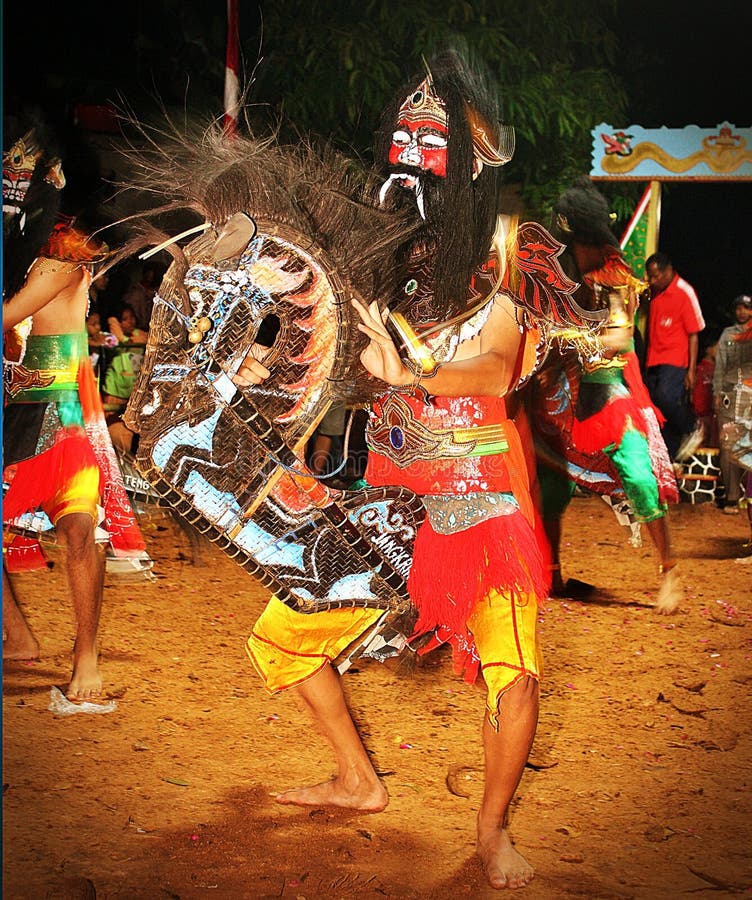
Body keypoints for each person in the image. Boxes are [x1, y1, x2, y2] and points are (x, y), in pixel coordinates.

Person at [233, 52, 548, 890]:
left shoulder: (499, 300)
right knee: (283, 640)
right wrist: (271, 374)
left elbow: (487, 375)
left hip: (480, 515)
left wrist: (411, 372)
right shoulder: (383, 293)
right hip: (387, 512)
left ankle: (490, 832)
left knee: (512, 676)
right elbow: (331, 370)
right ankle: (358, 779)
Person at [3, 221, 149, 699]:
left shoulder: (58, 264)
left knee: (79, 529)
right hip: (31, 408)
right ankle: (20, 635)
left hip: (57, 410)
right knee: (79, 530)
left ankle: (84, 657)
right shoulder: (36, 264)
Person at [530, 179, 682, 611]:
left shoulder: (614, 276)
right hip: (560, 394)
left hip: (604, 390)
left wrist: (569, 342)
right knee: (549, 482)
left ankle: (669, 568)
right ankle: (552, 574)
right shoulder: (558, 274)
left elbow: (617, 338)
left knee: (637, 475)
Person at [644, 252, 705, 461]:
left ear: (668, 270)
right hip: (653, 359)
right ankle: (671, 458)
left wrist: (691, 370)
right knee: (657, 409)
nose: (652, 280)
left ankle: (692, 425)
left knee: (665, 396)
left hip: (675, 360)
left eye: (656, 276)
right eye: (650, 276)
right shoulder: (653, 292)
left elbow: (694, 333)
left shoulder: (684, 292)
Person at [713, 294, 752, 513]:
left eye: (746, 308)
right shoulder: (727, 334)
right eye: (738, 308)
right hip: (730, 396)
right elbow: (720, 366)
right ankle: (731, 496)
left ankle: (749, 496)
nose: (742, 312)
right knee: (728, 445)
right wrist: (717, 393)